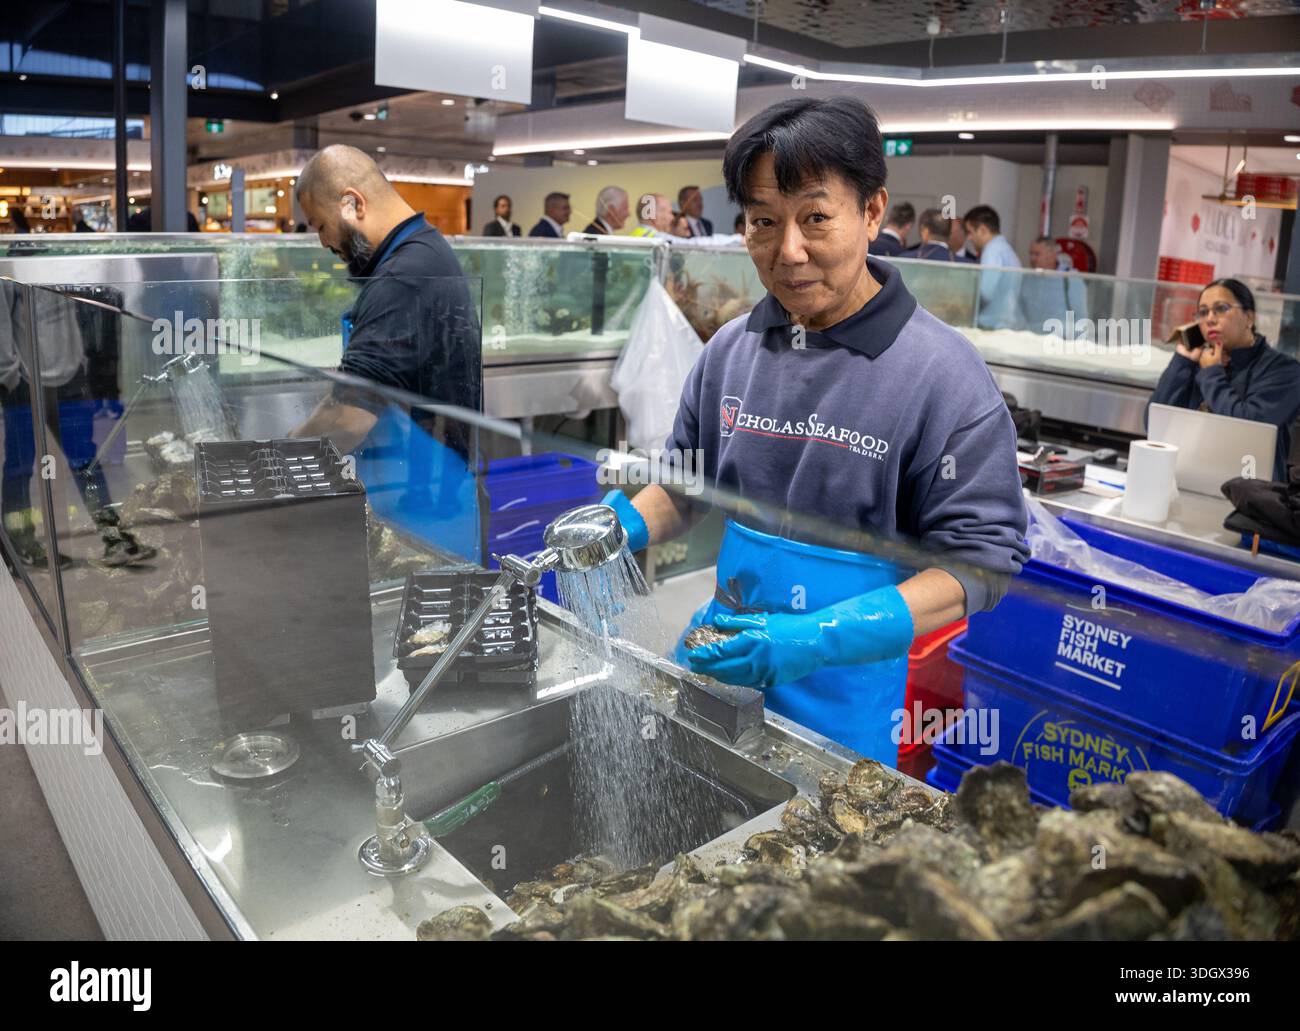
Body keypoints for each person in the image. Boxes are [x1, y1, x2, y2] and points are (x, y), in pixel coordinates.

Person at [600, 96, 1029, 763]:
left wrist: (816, 636)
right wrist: (616, 526)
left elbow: (980, 566)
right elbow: (686, 488)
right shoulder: (731, 352)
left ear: (873, 212)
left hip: (841, 711)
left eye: (815, 218)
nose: (789, 250)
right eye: (764, 222)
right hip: (721, 667)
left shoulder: (941, 375)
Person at [290, 144, 479, 459]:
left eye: (321, 226)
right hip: (423, 476)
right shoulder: (421, 251)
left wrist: (287, 447)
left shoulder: (403, 277)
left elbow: (349, 421)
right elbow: (366, 383)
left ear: (354, 203)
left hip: (429, 492)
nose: (323, 242)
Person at [1149, 278, 1300, 482]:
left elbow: (1248, 429)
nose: (1210, 319)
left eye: (1221, 308)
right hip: (1187, 480)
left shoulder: (1283, 370)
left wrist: (1212, 375)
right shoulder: (1198, 362)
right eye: (1203, 312)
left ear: (1249, 318)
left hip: (1250, 496)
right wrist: (1182, 362)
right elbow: (1154, 425)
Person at [963, 204, 1022, 329]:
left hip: (992, 325)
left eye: (970, 232)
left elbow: (985, 293)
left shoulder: (992, 251)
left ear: (983, 230)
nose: (969, 238)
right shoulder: (1005, 249)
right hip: (1005, 323)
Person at [1019, 235, 1087, 334]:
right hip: (1031, 339)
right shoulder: (1027, 279)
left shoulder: (1071, 280)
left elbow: (1081, 317)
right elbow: (1019, 310)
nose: (1032, 258)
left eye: (1037, 254)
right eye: (1031, 254)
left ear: (1052, 255)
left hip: (1060, 342)